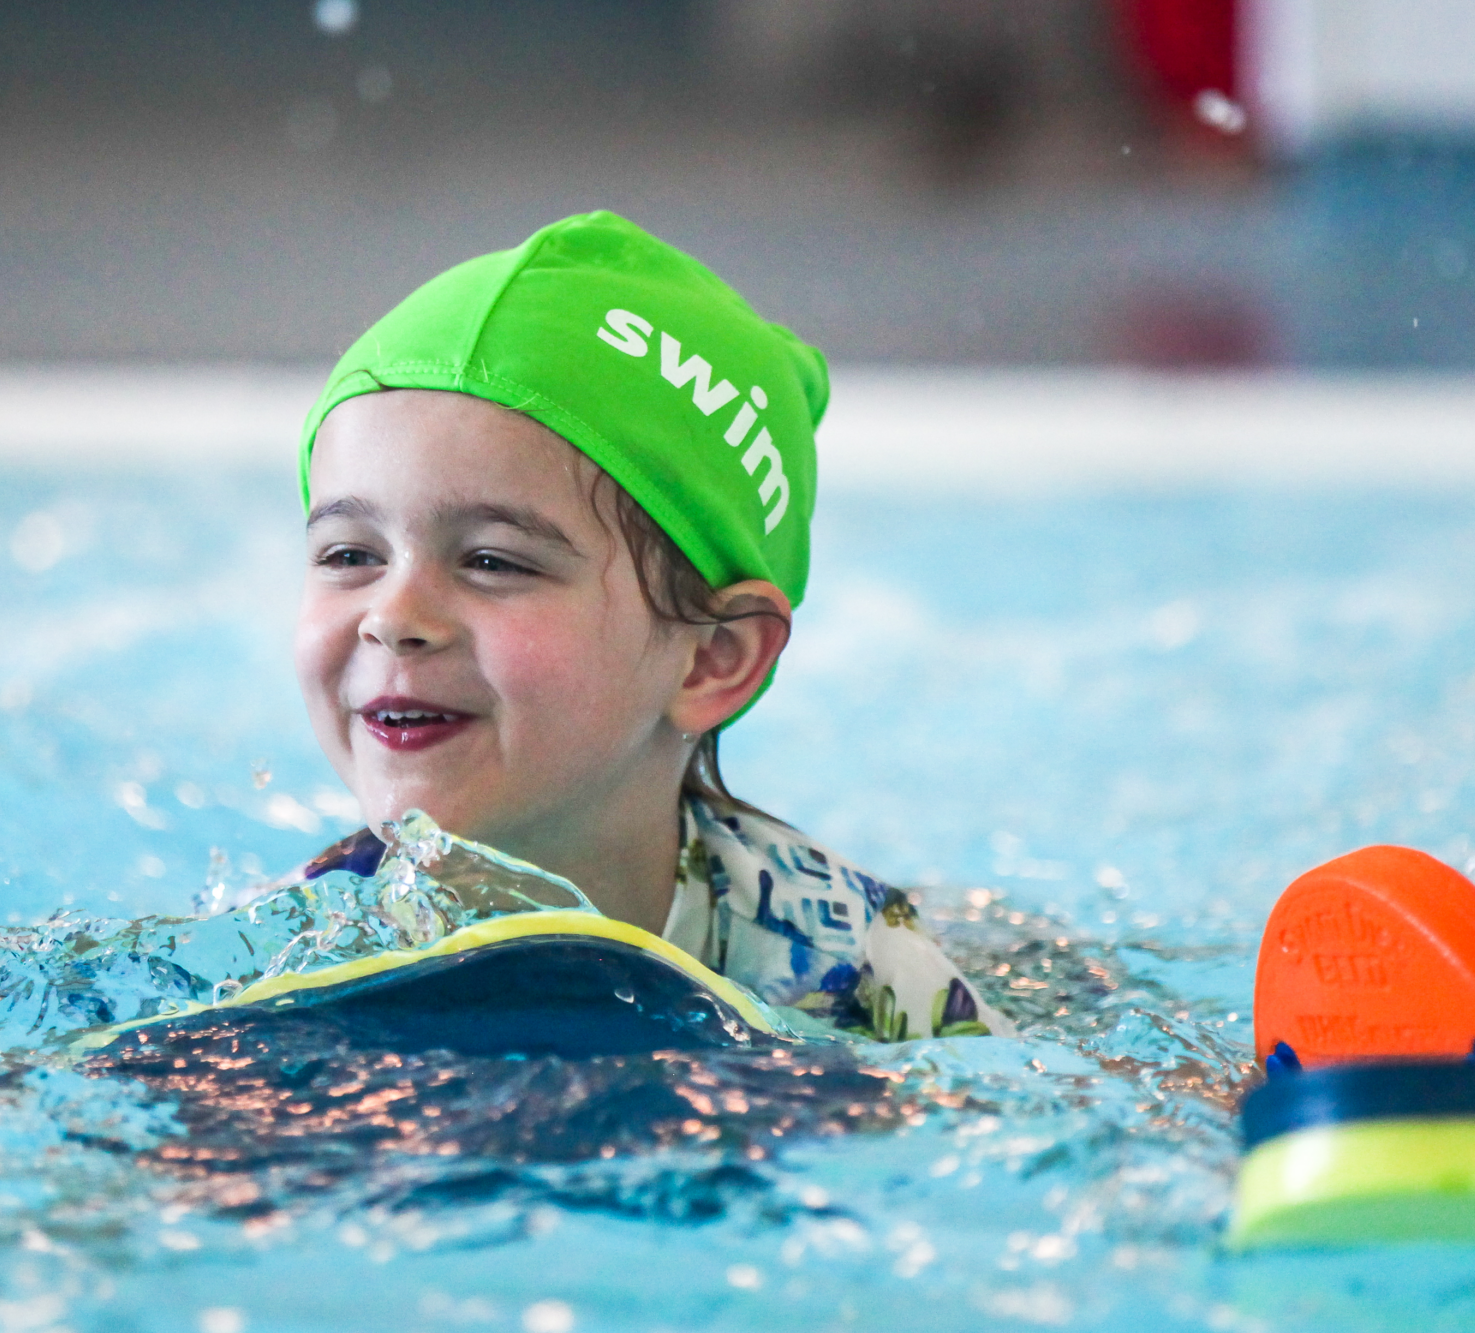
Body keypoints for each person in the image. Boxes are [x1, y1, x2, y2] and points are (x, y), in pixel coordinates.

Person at [282, 211, 1012, 1042]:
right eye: (348, 554)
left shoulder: (851, 973)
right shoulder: (294, 959)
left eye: (493, 561)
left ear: (712, 658)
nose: (394, 618)